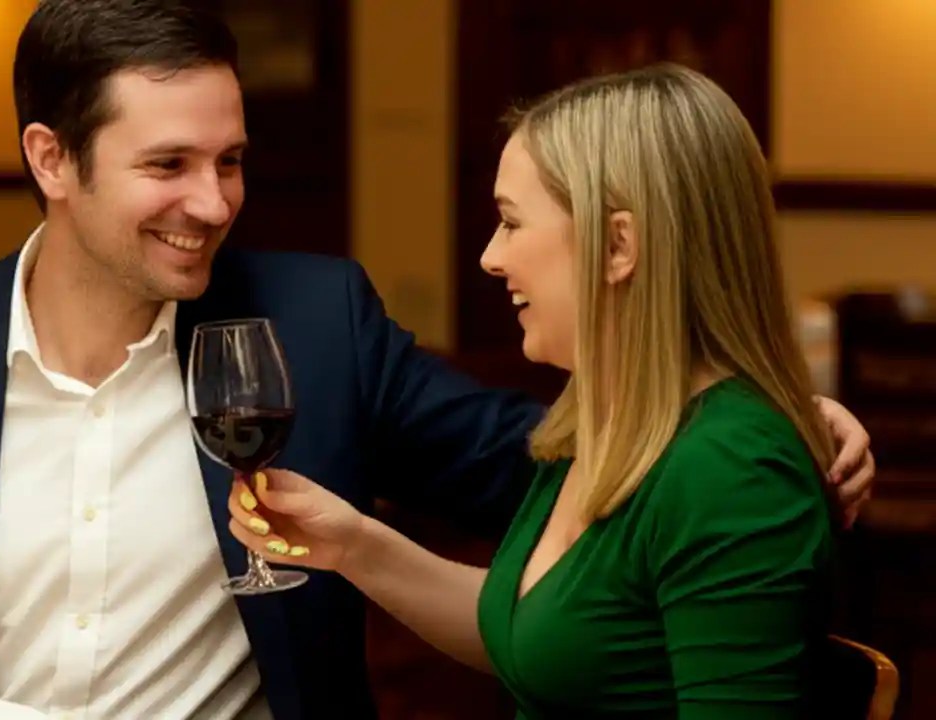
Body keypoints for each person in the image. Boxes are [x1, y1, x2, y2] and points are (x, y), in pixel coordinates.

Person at [0, 4, 872, 720]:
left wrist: (756, 407)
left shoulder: (311, 322)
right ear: (51, 159)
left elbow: (559, 483)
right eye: (168, 165)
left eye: (229, 161)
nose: (214, 202)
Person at [227, 64, 852, 718]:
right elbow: (542, 635)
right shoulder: (603, 424)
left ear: (618, 245)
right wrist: (353, 544)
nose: (491, 257)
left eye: (512, 223)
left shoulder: (729, 469)